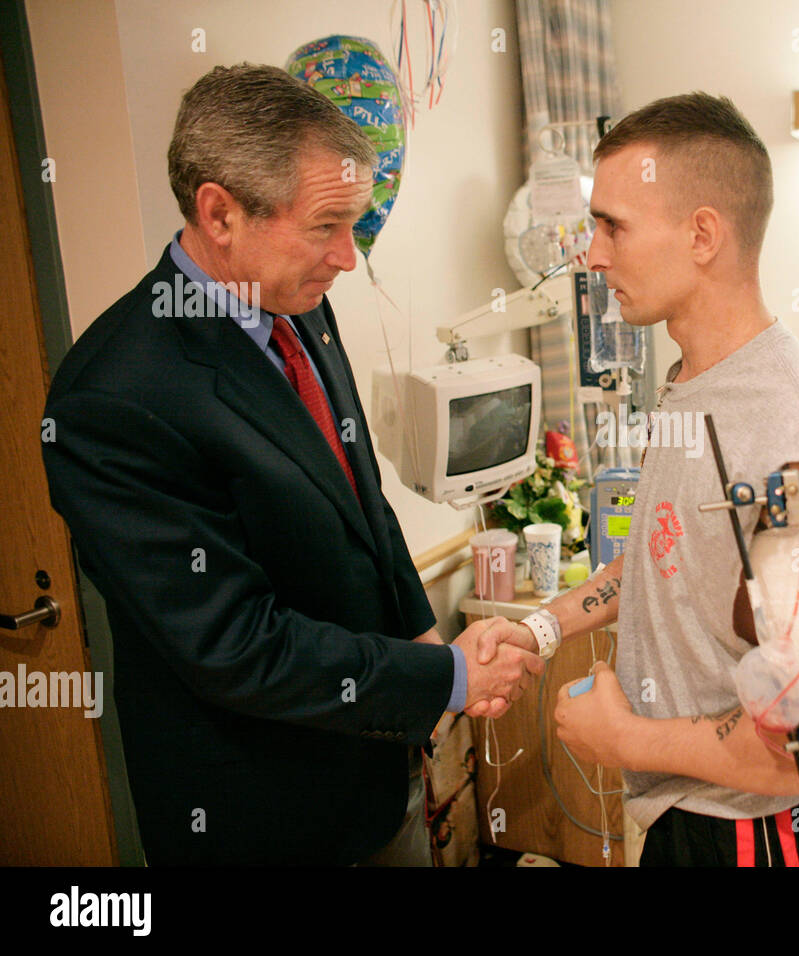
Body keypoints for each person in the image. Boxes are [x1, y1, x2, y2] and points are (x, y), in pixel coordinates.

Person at [39, 63, 541, 866]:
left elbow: (362, 504)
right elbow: (235, 643)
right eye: (326, 226)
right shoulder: (114, 400)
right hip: (264, 815)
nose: (348, 257)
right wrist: (438, 679)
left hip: (375, 767)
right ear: (218, 211)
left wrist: (424, 641)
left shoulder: (295, 302)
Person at [476, 92, 799, 866]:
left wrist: (627, 738)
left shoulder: (791, 434)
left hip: (766, 838)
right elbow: (666, 562)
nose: (592, 255)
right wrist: (539, 627)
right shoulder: (690, 383)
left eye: (613, 226)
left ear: (702, 235)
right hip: (694, 818)